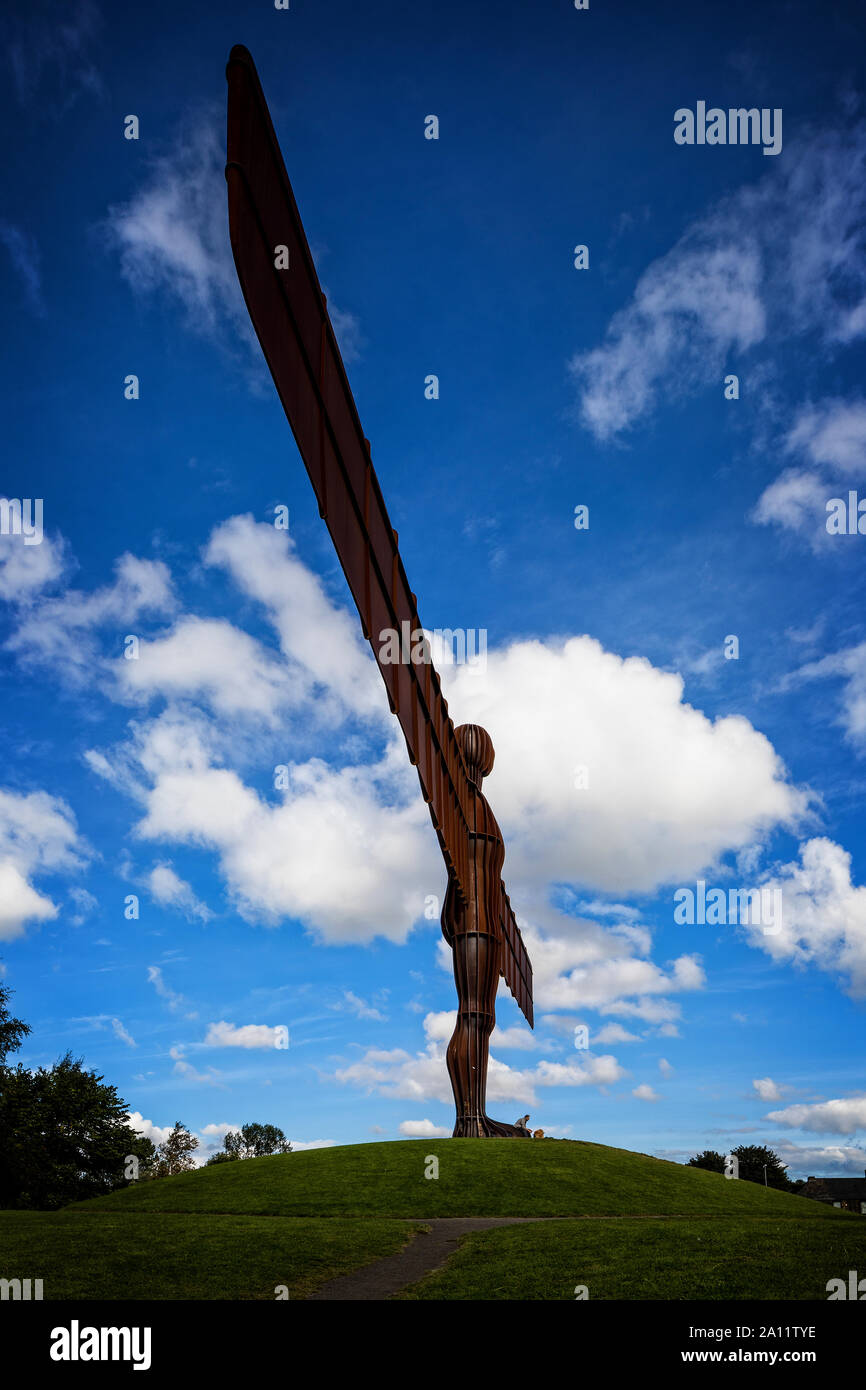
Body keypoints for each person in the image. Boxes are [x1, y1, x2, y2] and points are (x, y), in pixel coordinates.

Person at [441, 724, 531, 1138]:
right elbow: (455, 857)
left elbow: (492, 877)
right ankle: (468, 1120)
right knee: (473, 1014)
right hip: (473, 921)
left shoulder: (480, 804)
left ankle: (478, 1113)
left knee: (483, 1017)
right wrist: (455, 908)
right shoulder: (457, 798)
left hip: (487, 924)